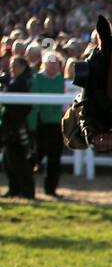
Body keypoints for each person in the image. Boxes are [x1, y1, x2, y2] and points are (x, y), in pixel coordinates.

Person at [29, 51, 66, 198]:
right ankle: (25, 186)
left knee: (55, 159)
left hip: (57, 125)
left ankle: (51, 190)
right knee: (35, 156)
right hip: (40, 124)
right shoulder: (36, 79)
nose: (53, 65)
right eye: (50, 62)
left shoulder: (62, 81)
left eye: (56, 62)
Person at [1, 54, 35, 199]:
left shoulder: (22, 82)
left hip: (16, 126)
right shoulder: (14, 81)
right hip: (10, 125)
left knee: (18, 160)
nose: (11, 69)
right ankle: (15, 189)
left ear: (22, 67)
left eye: (14, 66)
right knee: (9, 159)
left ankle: (26, 191)